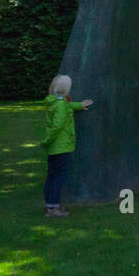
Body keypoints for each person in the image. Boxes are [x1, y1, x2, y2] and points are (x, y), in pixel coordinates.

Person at [41, 75, 93, 217]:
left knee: (52, 176)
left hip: (55, 148)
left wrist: (80, 105)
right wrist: (47, 140)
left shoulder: (55, 101)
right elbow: (58, 125)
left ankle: (50, 205)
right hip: (61, 147)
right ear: (66, 89)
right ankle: (53, 209)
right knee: (57, 178)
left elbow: (68, 105)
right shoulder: (61, 104)